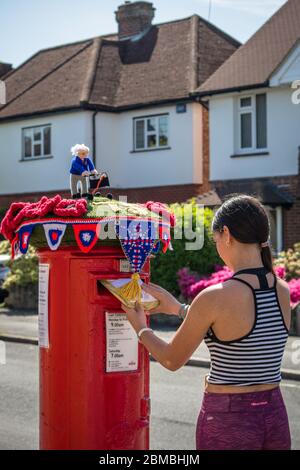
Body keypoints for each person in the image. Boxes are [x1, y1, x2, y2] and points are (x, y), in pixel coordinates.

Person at [121, 194, 292, 450]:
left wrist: (140, 327)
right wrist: (179, 309)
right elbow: (239, 328)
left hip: (229, 421)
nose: (217, 246)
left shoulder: (215, 296)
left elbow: (171, 359)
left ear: (227, 234)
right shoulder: (281, 290)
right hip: (275, 416)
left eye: (215, 240)